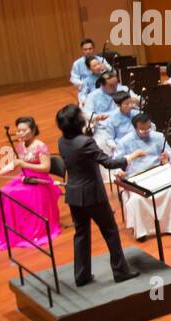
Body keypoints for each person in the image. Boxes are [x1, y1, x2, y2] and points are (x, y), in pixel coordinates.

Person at [56, 104, 142, 287]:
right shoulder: (86, 143)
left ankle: (81, 275)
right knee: (110, 231)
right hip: (92, 194)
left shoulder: (62, 141)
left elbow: (80, 150)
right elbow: (108, 163)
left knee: (81, 233)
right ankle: (120, 271)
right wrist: (129, 158)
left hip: (73, 194)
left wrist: (85, 135)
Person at [0, 116, 62, 251]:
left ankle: (23, 229)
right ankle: (12, 229)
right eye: (18, 131)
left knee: (11, 194)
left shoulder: (40, 146)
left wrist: (24, 164)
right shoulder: (21, 146)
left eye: (23, 131)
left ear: (32, 130)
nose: (19, 134)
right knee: (1, 194)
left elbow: (46, 168)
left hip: (38, 183)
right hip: (24, 178)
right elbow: (14, 164)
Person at [117, 114, 171, 241]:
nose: (146, 131)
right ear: (135, 128)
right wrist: (120, 170)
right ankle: (142, 232)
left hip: (156, 173)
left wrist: (168, 156)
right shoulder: (124, 142)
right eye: (142, 129)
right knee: (137, 199)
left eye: (148, 128)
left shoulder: (158, 136)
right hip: (136, 177)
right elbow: (116, 162)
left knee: (170, 192)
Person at [93, 88, 137, 155]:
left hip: (138, 144)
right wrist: (116, 148)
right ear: (119, 105)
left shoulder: (136, 113)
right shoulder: (112, 119)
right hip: (123, 149)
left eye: (131, 102)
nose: (130, 106)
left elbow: (150, 126)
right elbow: (109, 138)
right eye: (127, 104)